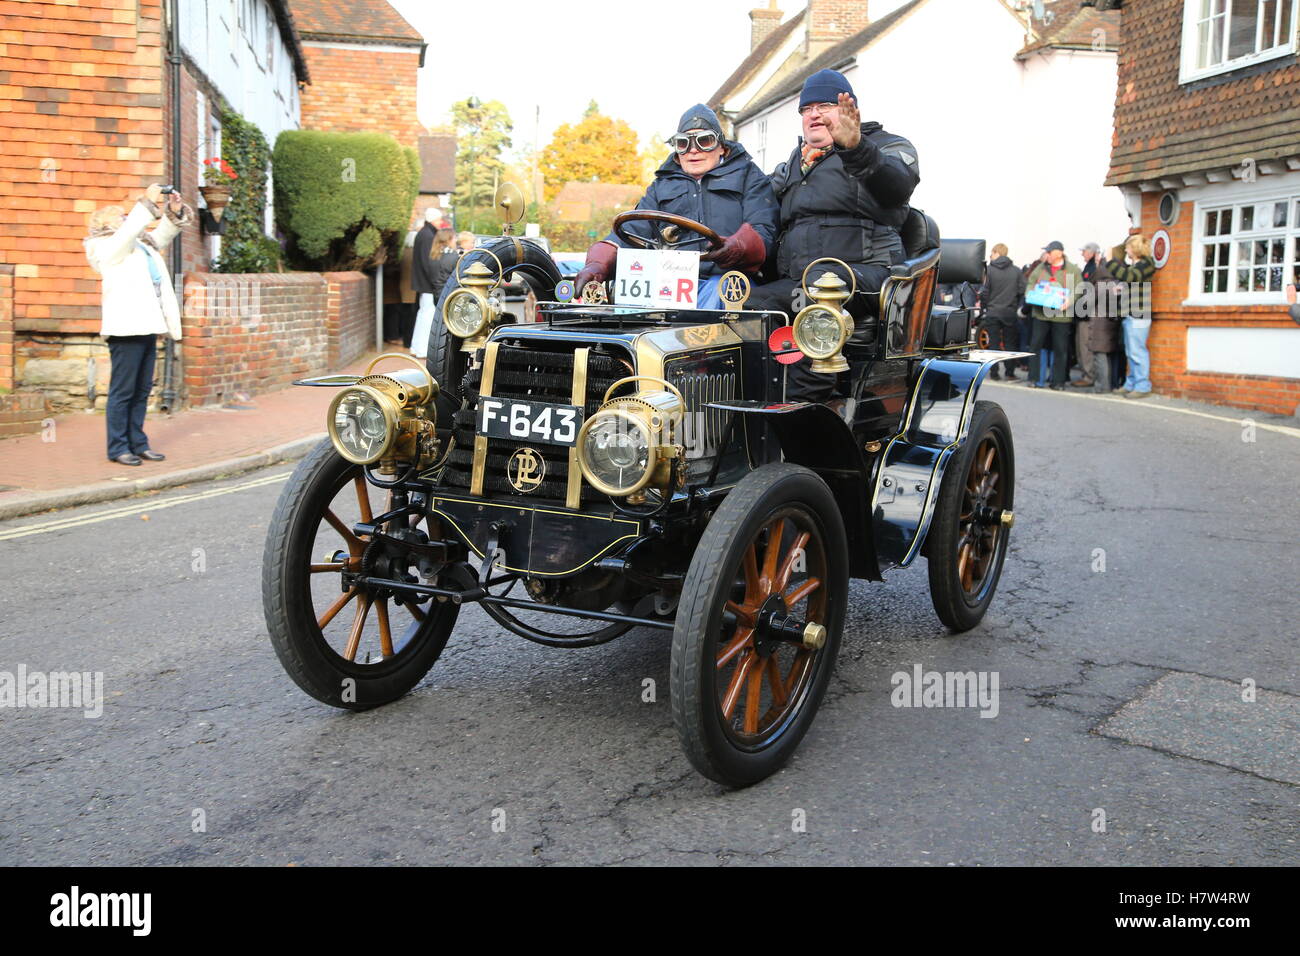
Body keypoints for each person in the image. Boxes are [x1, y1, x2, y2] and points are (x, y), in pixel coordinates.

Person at [745, 69, 920, 401]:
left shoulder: (888, 146)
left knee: (824, 286)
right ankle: (745, 407)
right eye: (806, 109)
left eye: (824, 105)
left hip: (870, 274)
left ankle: (806, 410)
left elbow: (898, 186)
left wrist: (855, 146)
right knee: (742, 303)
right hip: (800, 278)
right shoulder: (796, 161)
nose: (814, 114)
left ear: (848, 108)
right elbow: (758, 203)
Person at [573, 103, 777, 309]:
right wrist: (598, 263)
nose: (693, 150)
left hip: (727, 278)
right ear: (677, 151)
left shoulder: (749, 176)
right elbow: (631, 231)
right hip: (668, 283)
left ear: (721, 146)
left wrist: (738, 247)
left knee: (719, 292)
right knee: (620, 305)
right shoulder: (662, 185)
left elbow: (764, 230)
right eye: (683, 143)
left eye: (704, 140)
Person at [83, 184, 190, 466]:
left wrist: (173, 212)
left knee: (142, 389)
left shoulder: (139, 245)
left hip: (147, 325)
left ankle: (138, 443)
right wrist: (146, 201)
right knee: (123, 391)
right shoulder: (103, 247)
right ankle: (118, 447)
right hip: (125, 330)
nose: (125, 218)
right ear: (103, 224)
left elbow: (160, 236)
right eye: (118, 216)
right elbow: (127, 233)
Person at [1102, 234, 1156, 399]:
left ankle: (1143, 385)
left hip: (1139, 315)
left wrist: (1110, 261)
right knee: (1131, 351)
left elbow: (1130, 277)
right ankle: (1131, 383)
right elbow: (1131, 281)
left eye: (1128, 247)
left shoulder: (1146, 264)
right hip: (1131, 314)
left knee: (1137, 351)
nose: (1126, 250)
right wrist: (1121, 288)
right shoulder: (1137, 266)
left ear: (1135, 248)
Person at [1024, 241, 1083, 390]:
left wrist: (1070, 301)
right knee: (1035, 346)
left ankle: (1058, 382)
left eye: (1049, 252)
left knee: (1060, 349)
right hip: (1041, 314)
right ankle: (1034, 379)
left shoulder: (1073, 269)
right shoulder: (1041, 267)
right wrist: (1030, 294)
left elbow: (1079, 288)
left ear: (1059, 253)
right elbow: (1031, 282)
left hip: (1062, 316)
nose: (1047, 255)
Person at [978, 243, 1025, 380]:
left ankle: (994, 373)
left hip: (993, 312)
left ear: (997, 252)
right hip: (1010, 312)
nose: (990, 256)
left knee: (993, 343)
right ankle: (1009, 372)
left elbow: (985, 292)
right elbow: (1022, 291)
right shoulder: (1016, 271)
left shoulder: (989, 270)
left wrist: (985, 307)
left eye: (992, 253)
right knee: (1010, 343)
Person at [410, 208, 444, 358]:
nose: (440, 222)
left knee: (423, 314)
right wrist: (435, 282)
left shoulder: (424, 233)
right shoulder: (428, 235)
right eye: (438, 220)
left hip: (424, 283)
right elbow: (427, 262)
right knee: (427, 316)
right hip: (428, 284)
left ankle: (416, 347)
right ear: (433, 220)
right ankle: (422, 349)